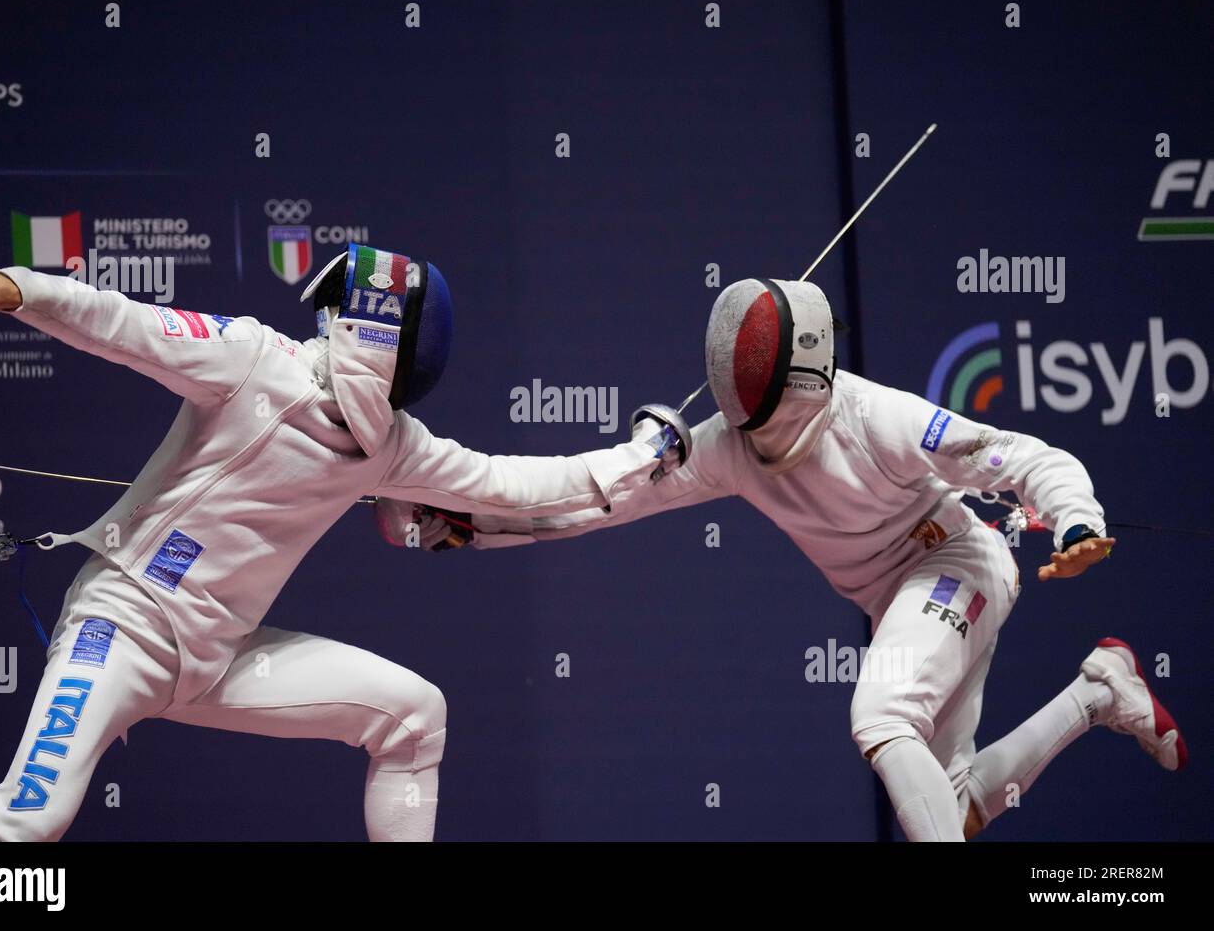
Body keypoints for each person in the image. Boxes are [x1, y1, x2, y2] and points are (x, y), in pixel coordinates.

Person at [387, 277, 1188, 841]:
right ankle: (1097, 693)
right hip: (898, 604)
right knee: (954, 808)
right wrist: (474, 522)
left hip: (955, 566)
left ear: (806, 378)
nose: (750, 429)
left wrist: (1078, 519)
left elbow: (1017, 457)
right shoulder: (730, 447)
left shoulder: (884, 419)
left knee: (879, 717)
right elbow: (601, 500)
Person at [0, 245, 685, 842]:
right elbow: (123, 322)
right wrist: (21, 289)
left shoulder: (393, 447)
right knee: (27, 826)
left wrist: (643, 455)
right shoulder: (252, 360)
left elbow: (519, 486)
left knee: (414, 714)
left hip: (215, 657)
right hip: (120, 627)